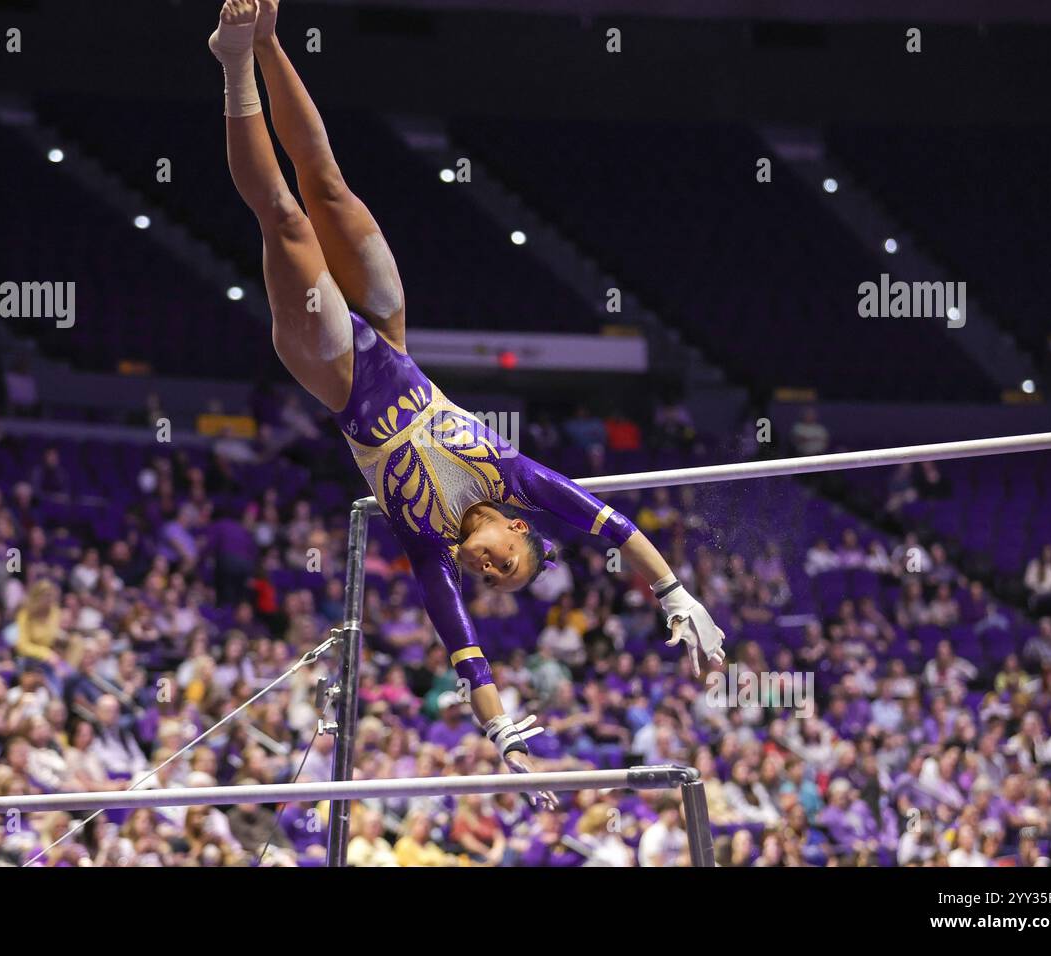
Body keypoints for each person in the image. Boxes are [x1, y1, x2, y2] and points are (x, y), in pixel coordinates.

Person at [206, 0, 725, 802]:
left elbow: (464, 648)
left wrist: (501, 732)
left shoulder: (424, 540)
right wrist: (674, 591)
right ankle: (271, 42)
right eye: (505, 564)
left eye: (490, 577)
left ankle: (234, 63)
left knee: (284, 220)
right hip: (392, 337)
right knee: (328, 184)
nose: (486, 569)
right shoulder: (518, 481)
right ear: (518, 529)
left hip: (340, 373)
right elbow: (612, 525)